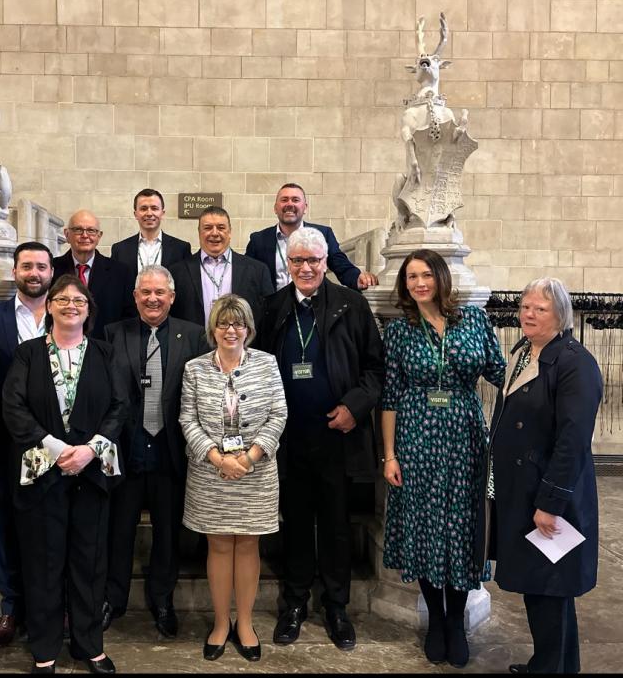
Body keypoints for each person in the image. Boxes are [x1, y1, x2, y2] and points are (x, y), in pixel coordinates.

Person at [258, 227, 384, 652]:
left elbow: (375, 368)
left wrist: (355, 406)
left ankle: (336, 607)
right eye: (298, 261)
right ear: (288, 265)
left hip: (337, 434)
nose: (307, 267)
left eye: (314, 259)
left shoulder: (351, 304)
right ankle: (293, 604)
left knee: (335, 526)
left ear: (327, 261)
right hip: (288, 437)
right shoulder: (273, 307)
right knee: (293, 524)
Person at [380, 248, 506, 668]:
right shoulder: (399, 331)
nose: (418, 283)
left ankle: (457, 622)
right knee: (424, 528)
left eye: (425, 275)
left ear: (440, 278)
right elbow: (390, 398)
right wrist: (389, 455)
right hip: (415, 440)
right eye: (411, 277)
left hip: (465, 438)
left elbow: (502, 373)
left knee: (461, 529)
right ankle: (437, 620)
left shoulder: (473, 320)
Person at [3, 274, 126, 675]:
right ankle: (44, 650)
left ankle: (90, 646)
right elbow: (14, 409)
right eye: (63, 299)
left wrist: (90, 449)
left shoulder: (106, 353)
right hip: (44, 476)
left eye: (79, 300)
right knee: (43, 564)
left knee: (89, 565)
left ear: (89, 309)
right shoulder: (28, 354)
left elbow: (120, 406)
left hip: (92, 474)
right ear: (50, 306)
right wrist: (58, 451)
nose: (71, 305)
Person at [478, 278, 602, 675]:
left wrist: (550, 503)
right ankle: (552, 664)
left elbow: (573, 440)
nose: (529, 314)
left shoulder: (574, 362)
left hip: (548, 499)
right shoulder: (525, 352)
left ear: (560, 315)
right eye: (525, 306)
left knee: (551, 589)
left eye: (540, 309)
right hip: (522, 491)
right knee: (541, 588)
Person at [179, 294, 287, 662]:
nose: (231, 329)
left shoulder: (267, 364)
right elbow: (187, 419)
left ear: (249, 329)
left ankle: (245, 622)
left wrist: (249, 456)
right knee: (220, 546)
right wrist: (217, 458)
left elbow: (278, 414)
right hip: (211, 475)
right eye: (224, 323)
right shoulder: (195, 368)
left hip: (255, 474)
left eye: (238, 323)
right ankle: (221, 623)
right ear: (213, 328)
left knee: (249, 546)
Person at [102, 265, 208, 637]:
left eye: (159, 293)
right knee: (119, 532)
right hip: (127, 452)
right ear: (135, 297)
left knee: (167, 532)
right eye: (145, 292)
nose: (152, 298)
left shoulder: (193, 336)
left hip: (170, 452)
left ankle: (163, 600)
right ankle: (113, 599)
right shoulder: (113, 334)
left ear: (172, 297)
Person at [0, 241, 54, 647]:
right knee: (5, 526)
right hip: (6, 444)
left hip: (58, 445)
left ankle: (51, 605)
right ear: (15, 272)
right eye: (27, 266)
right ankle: (11, 608)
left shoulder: (67, 316)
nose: (34, 273)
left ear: (51, 272)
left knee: (50, 528)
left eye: (41, 266)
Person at [245, 182, 378, 292]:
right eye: (284, 200)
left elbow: (340, 265)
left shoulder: (323, 234)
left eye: (295, 200)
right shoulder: (259, 240)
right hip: (273, 313)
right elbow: (247, 276)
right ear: (275, 208)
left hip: (312, 309)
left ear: (305, 207)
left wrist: (357, 277)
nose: (289, 204)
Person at [169, 205, 273, 328]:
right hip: (194, 346)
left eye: (221, 227)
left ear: (230, 232)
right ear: (199, 233)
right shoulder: (177, 272)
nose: (214, 233)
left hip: (240, 345)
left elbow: (268, 315)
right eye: (207, 228)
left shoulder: (257, 270)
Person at [53, 209, 133, 338]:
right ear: (67, 234)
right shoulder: (52, 269)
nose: (85, 235)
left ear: (99, 236)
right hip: (62, 347)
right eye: (78, 230)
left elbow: (129, 318)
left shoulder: (121, 272)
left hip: (107, 349)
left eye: (91, 230)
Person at [110, 188, 192, 292]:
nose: (149, 213)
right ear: (136, 214)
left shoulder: (181, 249)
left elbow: (185, 287)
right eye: (143, 208)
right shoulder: (120, 249)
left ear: (162, 213)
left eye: (154, 208)